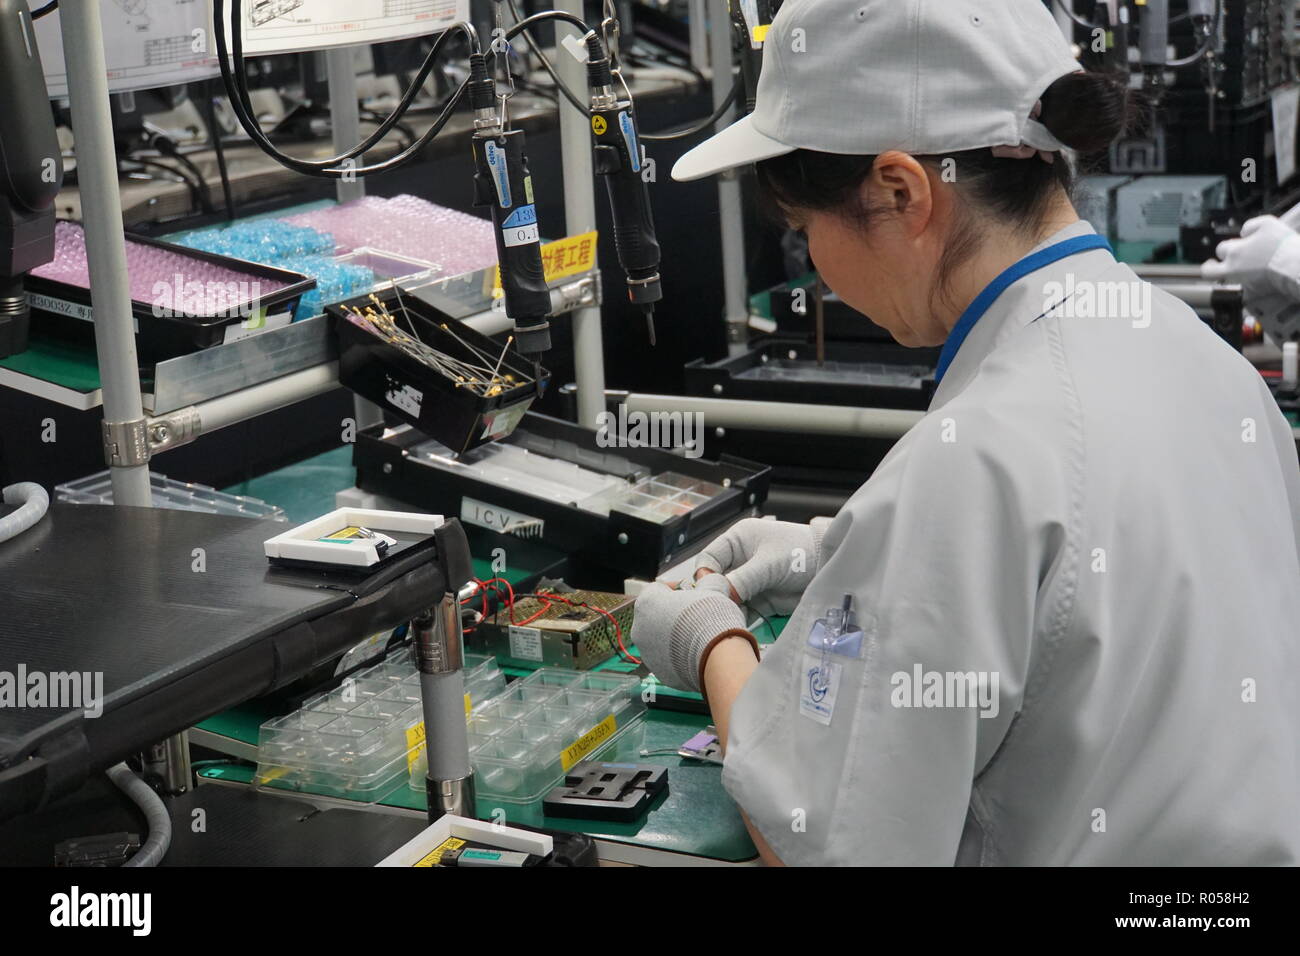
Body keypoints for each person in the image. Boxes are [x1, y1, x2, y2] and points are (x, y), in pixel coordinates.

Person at [632, 0, 1300, 866]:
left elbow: (812, 840)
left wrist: (707, 637)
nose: (818, 270)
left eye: (807, 232)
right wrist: (855, 561)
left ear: (902, 190)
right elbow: (1117, 599)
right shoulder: (1213, 369)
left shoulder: (973, 459)